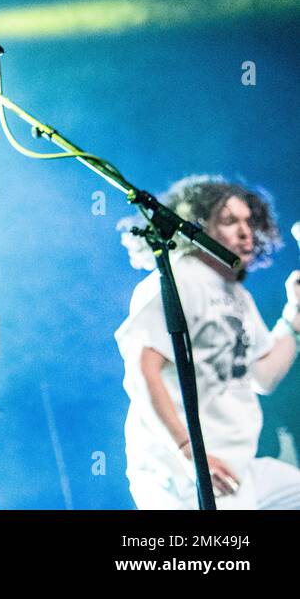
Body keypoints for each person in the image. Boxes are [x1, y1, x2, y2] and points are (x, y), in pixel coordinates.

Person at [114, 174, 300, 509]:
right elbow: (142, 372)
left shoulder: (235, 292)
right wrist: (189, 453)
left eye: (249, 221)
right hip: (182, 472)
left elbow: (262, 376)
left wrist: (296, 314)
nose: (245, 232)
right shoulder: (180, 279)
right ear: (198, 226)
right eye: (230, 221)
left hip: (238, 466)